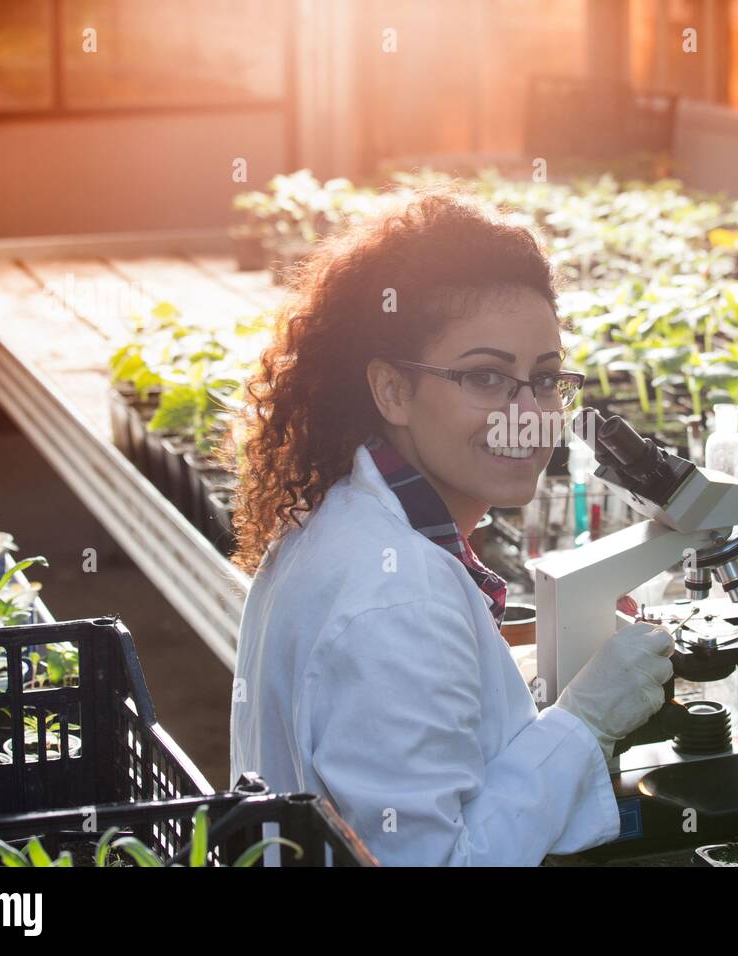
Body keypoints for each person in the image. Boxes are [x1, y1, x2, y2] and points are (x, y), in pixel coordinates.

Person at [228, 189, 675, 866]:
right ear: (393, 391)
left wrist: (505, 687)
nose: (529, 413)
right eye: (487, 377)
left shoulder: (345, 515)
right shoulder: (400, 599)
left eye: (546, 378)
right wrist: (587, 720)